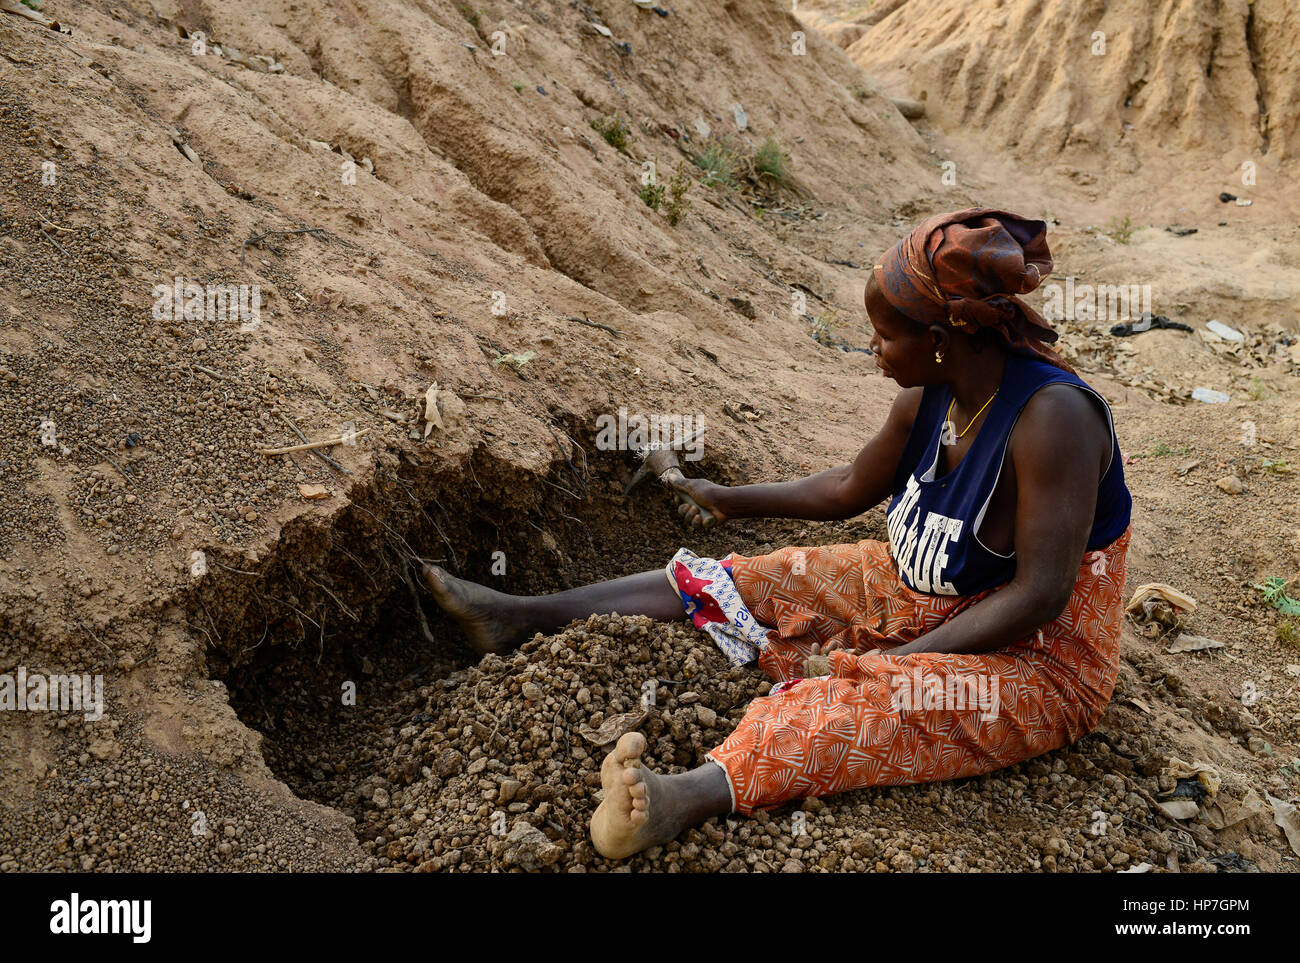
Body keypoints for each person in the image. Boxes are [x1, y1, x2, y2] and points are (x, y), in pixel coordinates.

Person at [422, 207, 1133, 860]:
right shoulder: (929, 396)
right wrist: (726, 499)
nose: (873, 349)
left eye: (886, 336)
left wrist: (896, 662)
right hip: (920, 589)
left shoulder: (1053, 420)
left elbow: (1040, 594)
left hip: (1035, 660)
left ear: (942, 341)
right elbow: (848, 487)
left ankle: (680, 798)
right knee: (750, 579)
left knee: (875, 701)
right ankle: (522, 615)